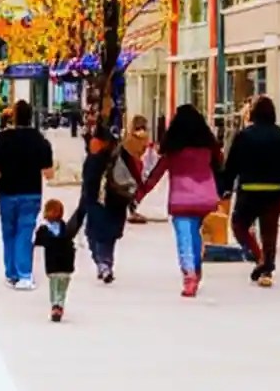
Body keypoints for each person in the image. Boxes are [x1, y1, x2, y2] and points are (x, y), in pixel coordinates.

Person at [135, 104, 223, 298]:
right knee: (195, 234)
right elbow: (220, 167)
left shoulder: (173, 152)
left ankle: (189, 275)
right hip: (205, 199)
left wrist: (138, 195)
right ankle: (196, 268)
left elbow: (155, 176)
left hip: (181, 200)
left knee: (185, 237)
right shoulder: (208, 149)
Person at [219, 96, 280, 288]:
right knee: (270, 230)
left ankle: (259, 257)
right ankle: (267, 269)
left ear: (253, 114)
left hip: (250, 190)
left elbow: (232, 165)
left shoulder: (243, 136)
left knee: (239, 225)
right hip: (275, 191)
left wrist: (225, 187)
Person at [0, 100, 55, 291]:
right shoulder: (39, 139)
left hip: (7, 193)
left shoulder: (4, 138)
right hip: (31, 193)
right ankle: (24, 274)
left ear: (14, 117)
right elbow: (49, 173)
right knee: (25, 232)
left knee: (9, 233)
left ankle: (11, 273)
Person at [82, 126, 139, 283]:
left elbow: (88, 185)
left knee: (97, 236)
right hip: (117, 202)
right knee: (107, 238)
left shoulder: (94, 160)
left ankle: (103, 264)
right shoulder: (122, 156)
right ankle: (105, 263)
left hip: (100, 203)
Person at [34, 198, 77, 321]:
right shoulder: (46, 229)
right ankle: (56, 305)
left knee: (60, 286)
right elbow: (38, 240)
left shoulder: (64, 228)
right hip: (56, 265)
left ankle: (58, 305)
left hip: (63, 265)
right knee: (56, 286)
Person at [123, 115, 152, 224]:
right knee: (137, 187)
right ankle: (132, 209)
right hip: (137, 163)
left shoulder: (129, 137)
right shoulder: (145, 137)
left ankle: (130, 209)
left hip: (128, 163)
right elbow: (144, 150)